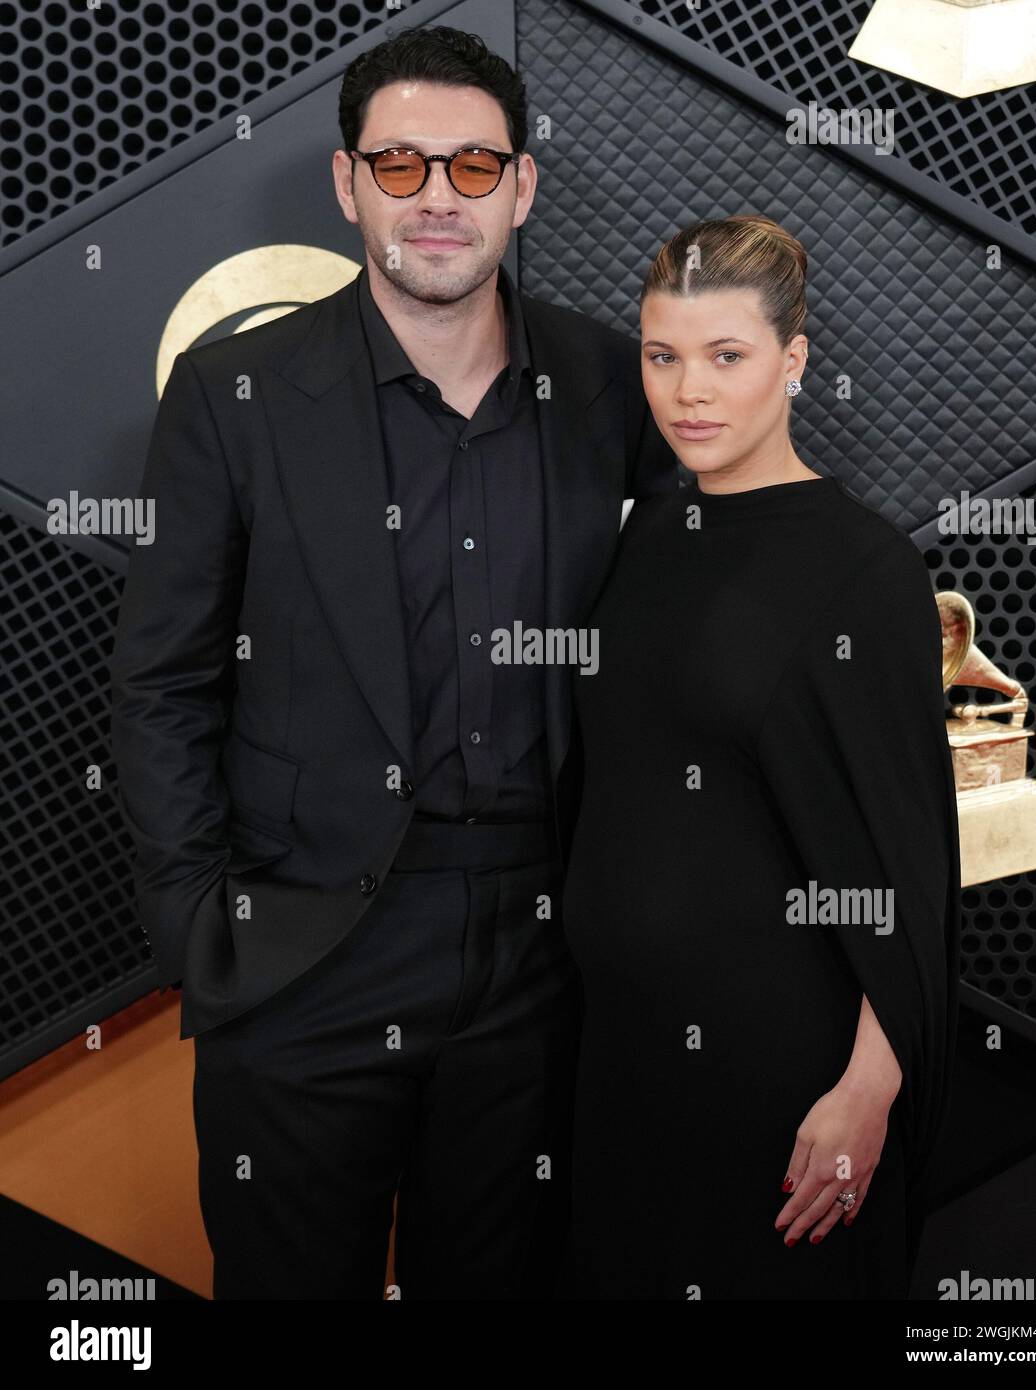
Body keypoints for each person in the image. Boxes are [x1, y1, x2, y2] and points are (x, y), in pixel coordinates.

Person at [108, 25, 677, 1300]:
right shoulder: (233, 390)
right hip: (303, 953)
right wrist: (202, 927)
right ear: (345, 183)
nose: (436, 198)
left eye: (473, 167)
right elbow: (161, 683)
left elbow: (706, 613)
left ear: (522, 189)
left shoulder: (609, 383)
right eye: (401, 163)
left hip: (543, 954)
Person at [560, 215, 962, 1299]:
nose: (688, 391)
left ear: (791, 361)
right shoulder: (646, 535)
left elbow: (909, 863)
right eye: (661, 356)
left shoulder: (862, 565)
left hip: (779, 1076)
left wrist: (866, 1092)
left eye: (725, 356)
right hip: (617, 1066)